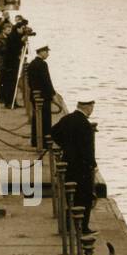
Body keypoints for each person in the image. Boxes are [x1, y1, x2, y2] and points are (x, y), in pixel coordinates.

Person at [53, 98, 97, 234]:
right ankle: (83, 227)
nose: (92, 110)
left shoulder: (67, 119)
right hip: (82, 167)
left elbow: (53, 132)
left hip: (68, 163)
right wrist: (93, 166)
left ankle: (68, 225)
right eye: (92, 107)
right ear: (88, 107)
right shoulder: (85, 125)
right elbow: (88, 150)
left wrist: (65, 146)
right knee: (85, 197)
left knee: (70, 196)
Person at [24, 44, 61, 148]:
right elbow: (47, 81)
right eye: (46, 52)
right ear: (40, 52)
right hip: (44, 97)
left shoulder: (32, 64)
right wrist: (52, 94)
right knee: (45, 120)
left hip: (35, 96)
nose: (48, 54)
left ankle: (35, 141)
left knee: (37, 119)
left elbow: (30, 82)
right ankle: (45, 143)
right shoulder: (43, 64)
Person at [0, 19, 27, 107]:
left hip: (13, 63)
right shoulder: (12, 37)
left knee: (13, 83)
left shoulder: (15, 36)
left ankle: (13, 102)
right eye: (22, 28)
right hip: (10, 64)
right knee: (10, 84)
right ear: (18, 29)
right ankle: (9, 102)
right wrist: (22, 42)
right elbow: (13, 50)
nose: (23, 30)